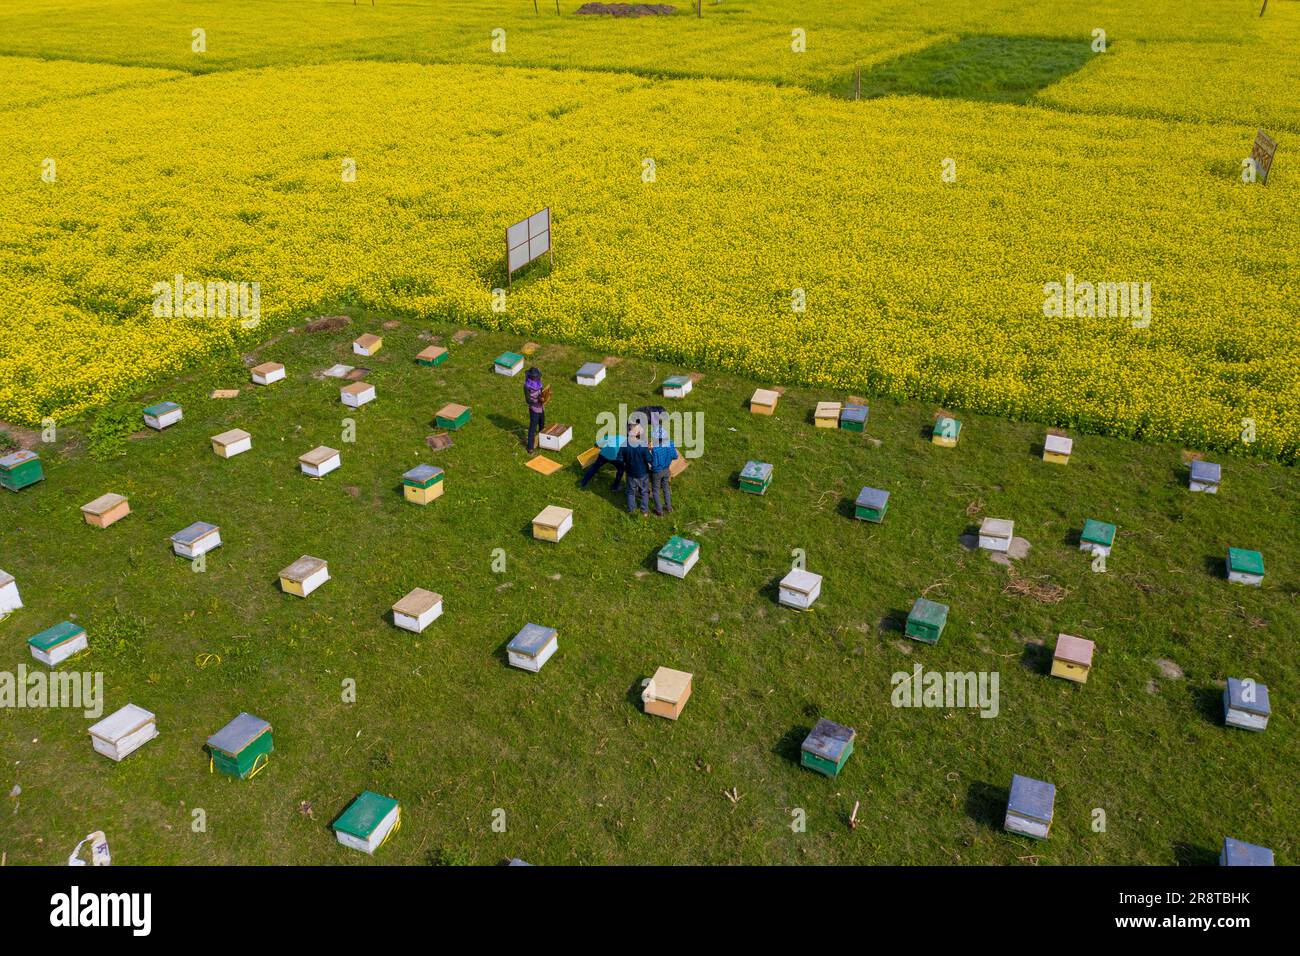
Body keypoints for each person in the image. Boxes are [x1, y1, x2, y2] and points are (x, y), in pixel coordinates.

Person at [620, 425, 653, 516]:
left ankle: (631, 511)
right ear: (637, 433)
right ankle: (644, 511)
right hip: (643, 473)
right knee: (644, 492)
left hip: (630, 472)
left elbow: (620, 458)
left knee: (630, 492)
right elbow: (649, 459)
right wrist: (649, 450)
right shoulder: (642, 445)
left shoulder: (624, 444)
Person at [649, 423, 678, 516]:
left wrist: (649, 451)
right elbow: (675, 456)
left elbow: (653, 464)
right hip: (667, 470)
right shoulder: (670, 444)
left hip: (657, 472)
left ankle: (659, 511)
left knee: (656, 491)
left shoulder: (655, 449)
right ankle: (669, 507)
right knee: (666, 488)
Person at [523, 367, 545, 451]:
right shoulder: (526, 386)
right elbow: (528, 400)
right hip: (534, 409)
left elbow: (541, 393)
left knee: (542, 425)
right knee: (533, 428)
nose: (536, 378)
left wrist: (545, 396)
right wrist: (538, 400)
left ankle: (542, 442)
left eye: (537, 377)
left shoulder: (539, 383)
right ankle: (530, 447)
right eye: (535, 377)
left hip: (541, 407)